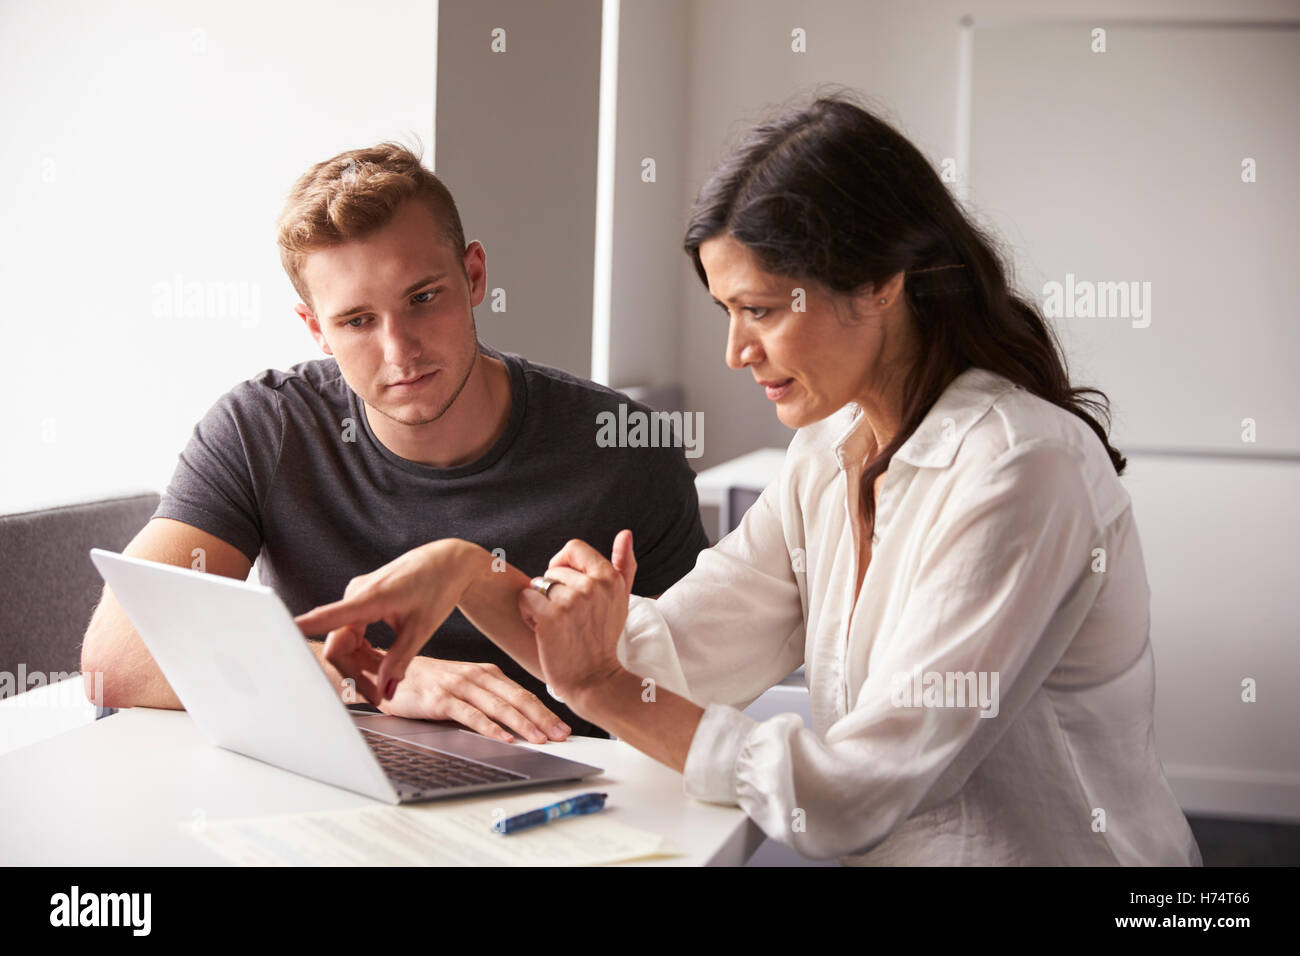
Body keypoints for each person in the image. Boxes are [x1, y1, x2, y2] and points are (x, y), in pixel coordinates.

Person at [293, 95, 1203, 865]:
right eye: (728, 311)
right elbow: (670, 659)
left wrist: (605, 685)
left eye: (761, 310)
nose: (736, 351)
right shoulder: (832, 451)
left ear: (881, 283)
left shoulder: (1017, 467)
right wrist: (464, 569)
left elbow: (849, 797)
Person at [81, 141, 710, 744]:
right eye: (357, 321)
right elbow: (117, 656)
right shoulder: (262, 428)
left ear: (473, 275)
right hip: (335, 783)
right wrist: (372, 679)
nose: (399, 350)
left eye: (423, 298)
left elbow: (702, 701)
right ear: (314, 328)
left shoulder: (627, 448)